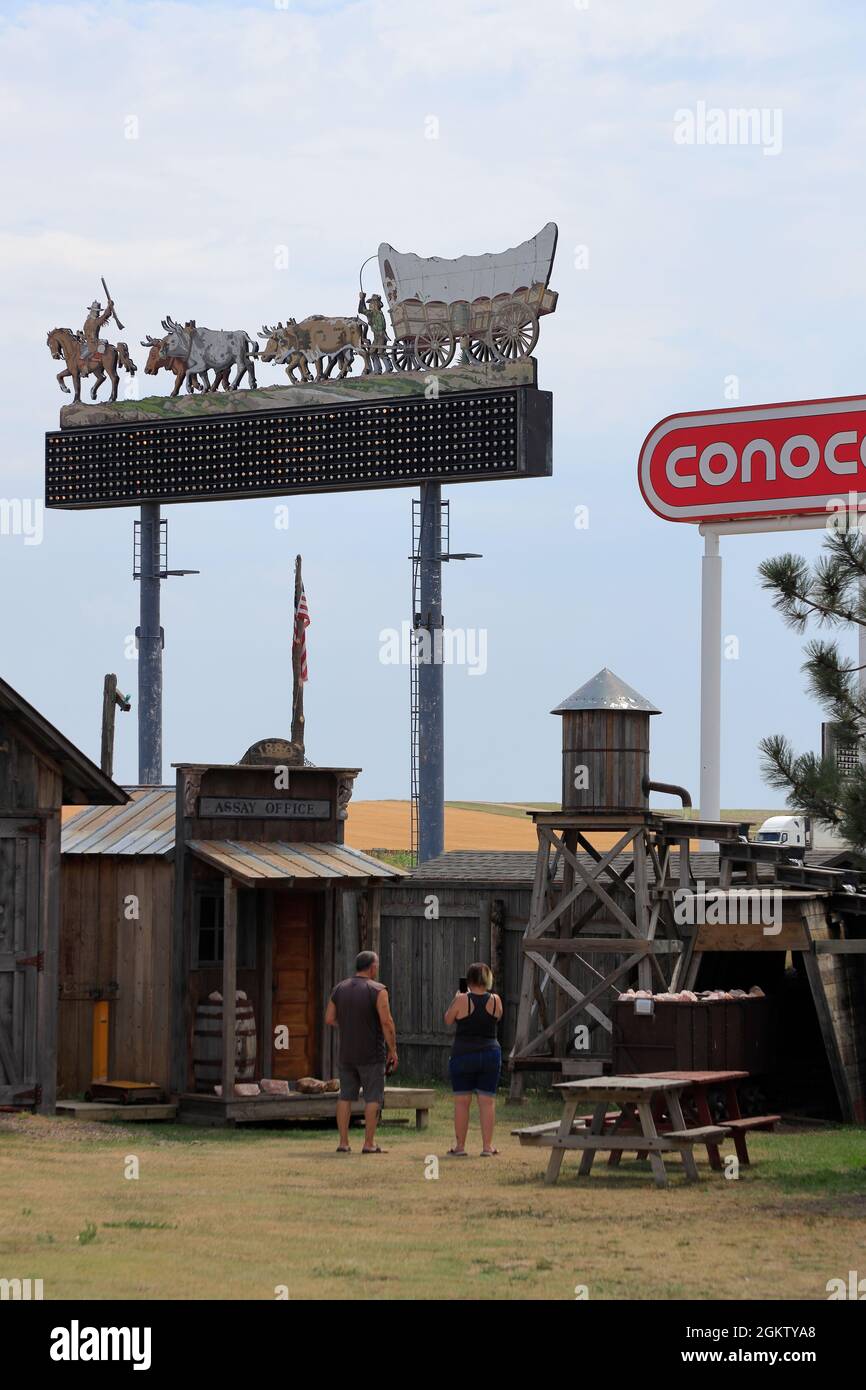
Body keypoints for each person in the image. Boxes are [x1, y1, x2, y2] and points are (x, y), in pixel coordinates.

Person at [325, 950, 397, 1154]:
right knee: (373, 1098)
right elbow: (386, 1022)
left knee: (345, 1097)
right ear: (372, 967)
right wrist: (393, 1050)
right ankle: (368, 1143)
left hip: (347, 1053)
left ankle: (343, 1142)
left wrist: (348, 1024)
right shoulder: (378, 990)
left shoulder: (339, 988)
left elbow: (329, 1018)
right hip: (371, 1054)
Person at [444, 962, 503, 1157]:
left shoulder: (462, 1000)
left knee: (462, 1102)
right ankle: (487, 1147)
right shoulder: (496, 1000)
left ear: (468, 980)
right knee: (487, 1102)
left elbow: (448, 1020)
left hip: (463, 1054)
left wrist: (457, 999)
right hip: (490, 1053)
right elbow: (498, 1017)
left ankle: (460, 1147)